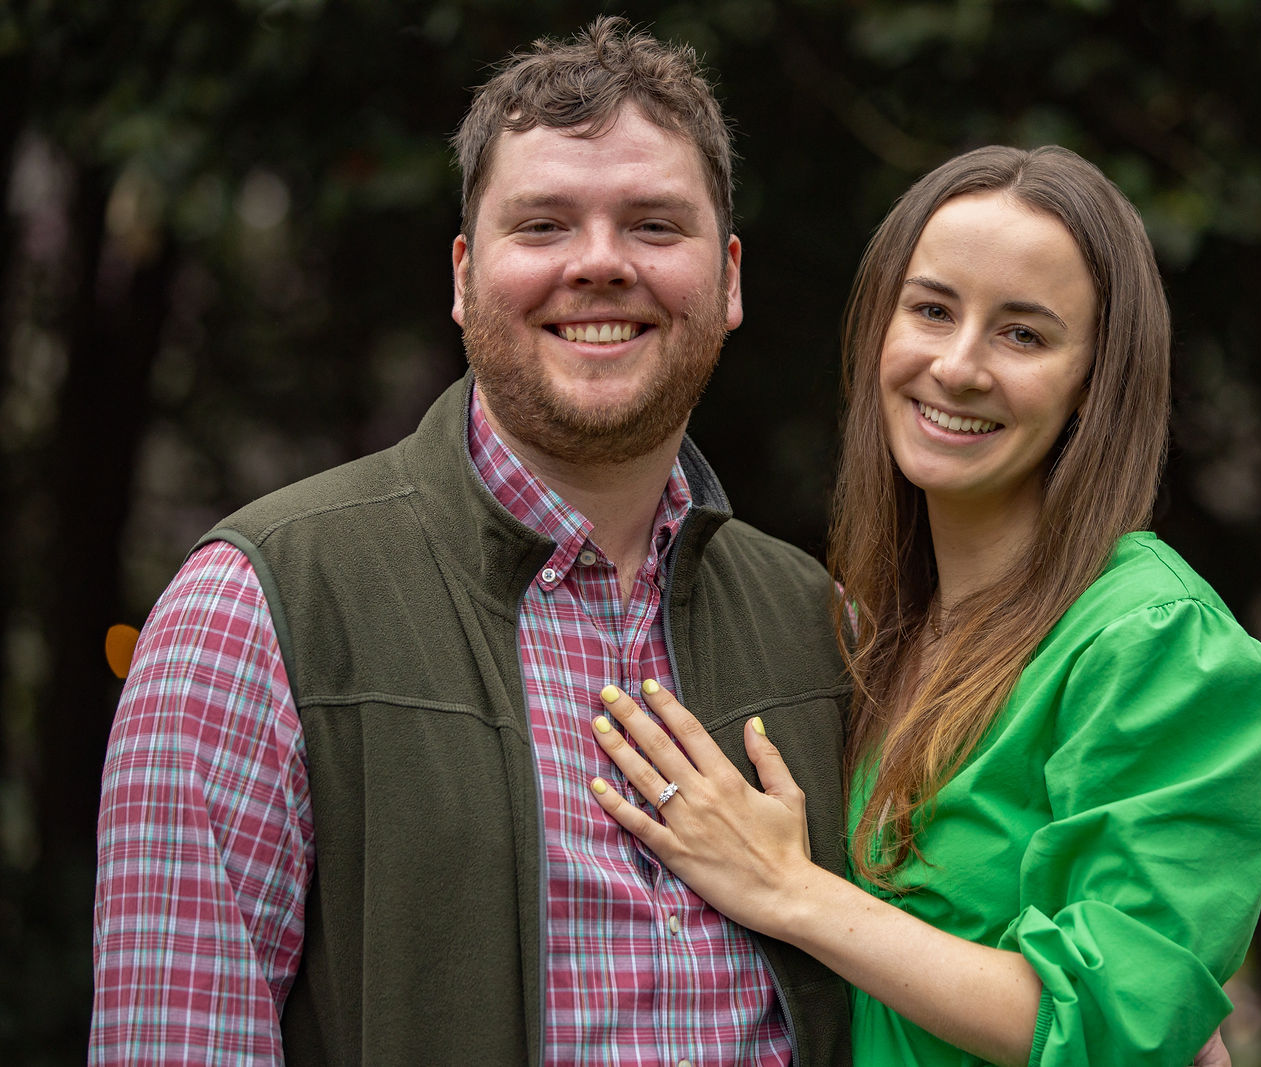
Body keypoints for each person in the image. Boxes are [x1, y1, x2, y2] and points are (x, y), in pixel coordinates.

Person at [90, 18, 856, 1064]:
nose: (600, 263)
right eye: (542, 225)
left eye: (653, 225)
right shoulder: (255, 612)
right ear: (462, 276)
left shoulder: (817, 626)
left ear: (728, 280)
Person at [587, 145, 1261, 1066]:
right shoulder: (865, 634)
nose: (958, 366)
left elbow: (1115, 1027)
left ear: (1095, 383)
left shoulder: (1157, 645)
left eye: (1023, 335)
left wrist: (789, 889)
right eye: (931, 310)